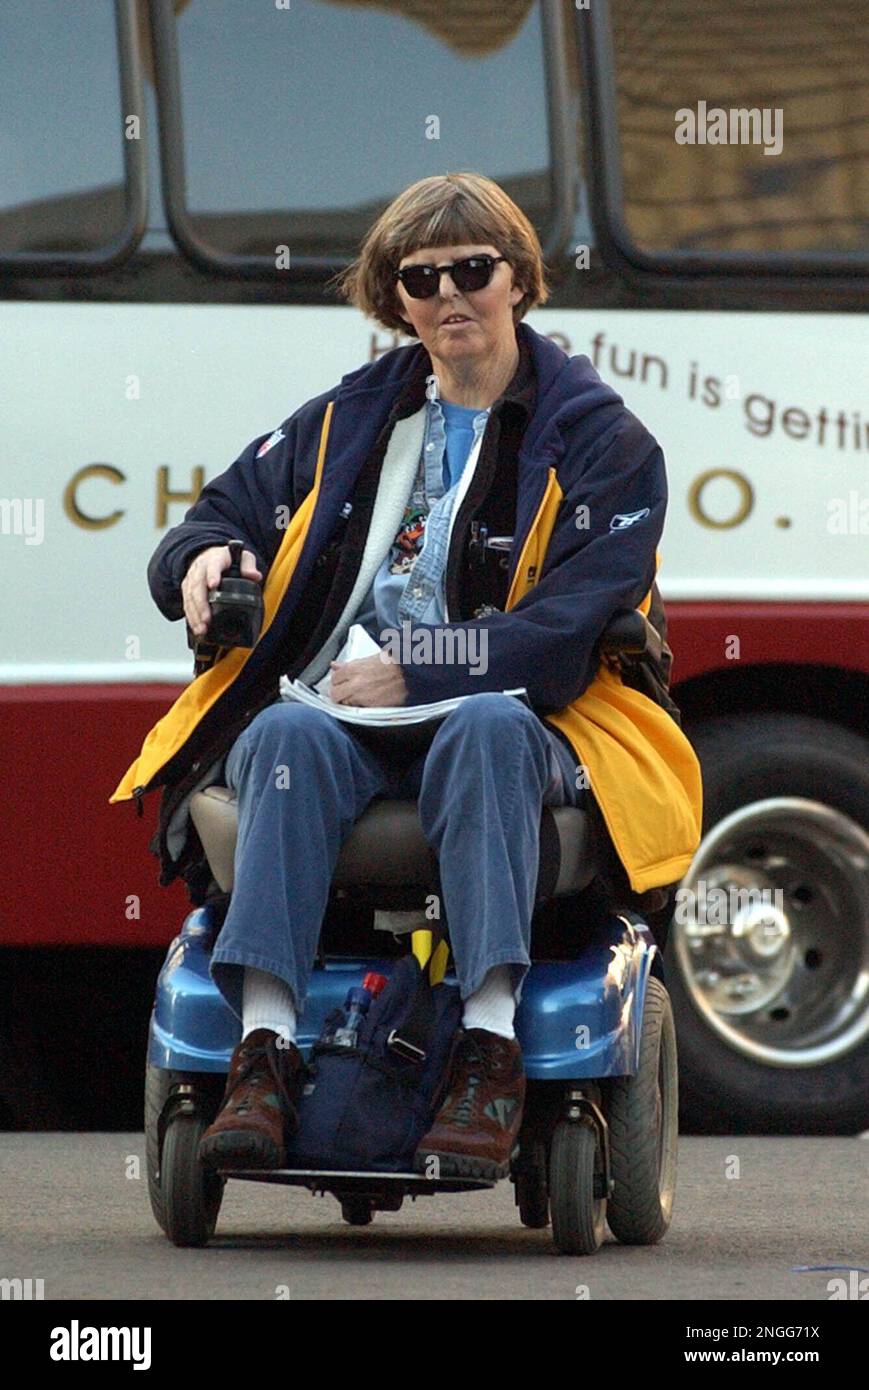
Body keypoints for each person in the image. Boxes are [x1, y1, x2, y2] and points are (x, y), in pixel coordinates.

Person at [111, 172, 702, 1182]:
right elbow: (216, 513)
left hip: (524, 718)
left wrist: (423, 663)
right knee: (279, 739)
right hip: (341, 714)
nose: (447, 296)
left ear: (516, 279)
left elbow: (560, 636)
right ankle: (264, 1050)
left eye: (471, 270)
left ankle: (486, 1047)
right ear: (395, 300)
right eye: (419, 280)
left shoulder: (602, 442)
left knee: (481, 729)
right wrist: (201, 563)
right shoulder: (350, 417)